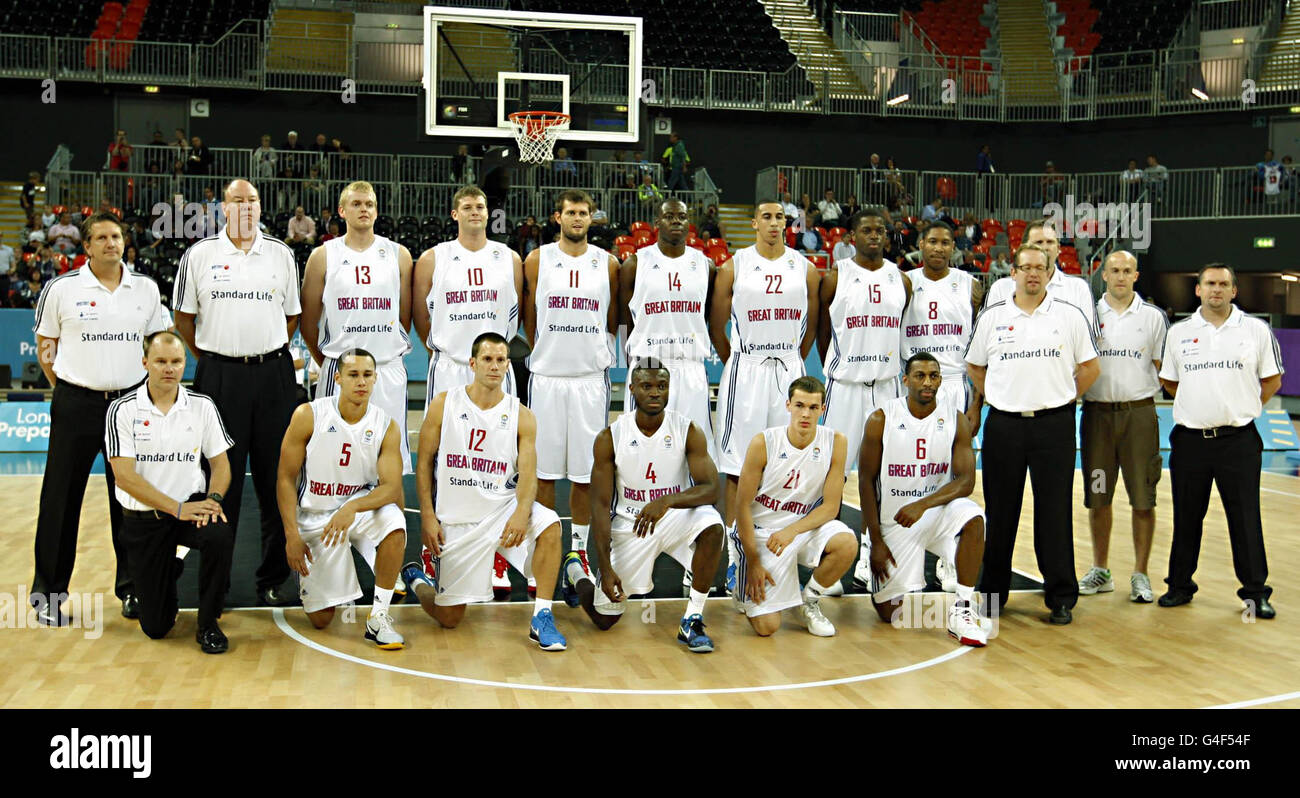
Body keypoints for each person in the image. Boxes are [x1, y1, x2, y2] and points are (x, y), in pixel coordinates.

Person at [32, 212, 171, 625]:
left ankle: (134, 591)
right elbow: (46, 346)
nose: (111, 243)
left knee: (132, 502)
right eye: (102, 237)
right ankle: (49, 597)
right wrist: (71, 388)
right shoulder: (61, 289)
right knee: (60, 499)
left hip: (130, 405)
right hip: (76, 404)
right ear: (87, 246)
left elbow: (160, 346)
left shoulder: (145, 289)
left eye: (117, 236)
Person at [173, 179, 303, 607]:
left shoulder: (282, 255)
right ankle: (217, 583)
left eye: (251, 201)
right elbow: (184, 319)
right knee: (218, 482)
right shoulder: (199, 255)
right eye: (236, 200)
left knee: (274, 479)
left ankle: (272, 578)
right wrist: (218, 357)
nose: (244, 207)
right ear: (222, 208)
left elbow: (290, 319)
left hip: (273, 377)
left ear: (260, 207)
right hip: (219, 379)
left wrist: (258, 353)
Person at [403, 332, 568, 650]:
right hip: (459, 520)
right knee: (449, 618)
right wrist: (427, 514)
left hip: (502, 512)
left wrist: (522, 512)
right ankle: (419, 581)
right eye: (488, 359)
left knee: (549, 525)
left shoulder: (522, 416)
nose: (494, 366)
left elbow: (529, 475)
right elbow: (423, 464)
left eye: (501, 360)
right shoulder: (444, 405)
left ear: (508, 364)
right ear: (473, 363)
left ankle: (543, 616)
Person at [966, 243, 1099, 624]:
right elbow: (975, 366)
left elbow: (1090, 368)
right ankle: (992, 595)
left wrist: (1063, 397)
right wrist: (997, 395)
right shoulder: (993, 316)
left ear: (1049, 272)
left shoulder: (1069, 316)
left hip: (1053, 424)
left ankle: (1060, 597)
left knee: (1054, 513)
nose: (1033, 274)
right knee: (1001, 512)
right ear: (1013, 273)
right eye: (1025, 267)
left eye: (1040, 268)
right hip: (1004, 425)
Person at [560, 362, 725, 651]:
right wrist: (606, 567)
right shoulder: (610, 437)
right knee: (604, 618)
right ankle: (575, 570)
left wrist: (666, 501)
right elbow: (599, 507)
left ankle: (693, 618)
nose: (655, 393)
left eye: (662, 386)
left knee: (712, 526)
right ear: (632, 388)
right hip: (630, 522)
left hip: (673, 516)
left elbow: (712, 489)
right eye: (647, 386)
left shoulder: (688, 430)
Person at [1157, 264, 1282, 618]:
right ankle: (1179, 586)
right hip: (1190, 440)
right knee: (1186, 516)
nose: (1216, 289)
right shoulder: (1179, 333)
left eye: (1223, 284)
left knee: (1245, 518)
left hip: (1238, 440)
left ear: (1233, 291)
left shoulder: (1255, 330)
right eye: (1210, 283)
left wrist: (1242, 406)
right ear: (1198, 290)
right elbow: (1170, 382)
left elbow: (1271, 380)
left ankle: (1255, 592)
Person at [711, 199, 820, 594]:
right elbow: (717, 324)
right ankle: (735, 555)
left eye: (780, 218)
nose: (775, 223)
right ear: (755, 223)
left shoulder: (805, 269)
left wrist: (792, 358)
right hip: (747, 368)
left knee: (787, 462)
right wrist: (739, 362)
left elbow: (812, 328)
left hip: (789, 367)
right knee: (738, 465)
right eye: (768, 217)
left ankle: (779, 547)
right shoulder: (734, 266)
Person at [106, 331, 235, 653]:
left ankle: (208, 624)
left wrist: (214, 500)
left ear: (184, 364)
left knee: (219, 535)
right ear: (145, 362)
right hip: (144, 517)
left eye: (176, 362)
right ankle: (168, 566)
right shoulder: (122, 410)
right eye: (161, 361)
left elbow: (221, 465)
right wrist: (175, 509)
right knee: (157, 627)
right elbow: (124, 478)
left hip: (190, 507)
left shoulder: (202, 405)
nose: (169, 368)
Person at [277, 348, 408, 648]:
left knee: (395, 521)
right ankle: (332, 571)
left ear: (376, 379)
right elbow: (285, 478)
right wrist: (291, 536)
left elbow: (391, 486)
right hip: (316, 517)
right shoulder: (309, 415)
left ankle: (379, 615)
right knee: (322, 620)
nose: (361, 382)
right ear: (337, 378)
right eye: (353, 375)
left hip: (356, 508)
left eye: (367, 375)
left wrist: (352, 506)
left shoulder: (385, 425)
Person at [859, 352, 989, 646]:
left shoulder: (955, 419)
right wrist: (875, 542)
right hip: (897, 523)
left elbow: (967, 481)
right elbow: (866, 482)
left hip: (936, 513)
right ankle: (908, 574)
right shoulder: (881, 419)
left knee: (973, 516)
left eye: (934, 376)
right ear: (905, 380)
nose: (927, 382)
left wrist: (923, 504)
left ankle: (963, 609)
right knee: (890, 613)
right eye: (920, 376)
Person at [522, 189, 619, 574]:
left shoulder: (608, 264)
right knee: (543, 473)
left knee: (584, 474)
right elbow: (530, 318)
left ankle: (576, 553)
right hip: (547, 377)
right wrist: (543, 347)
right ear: (557, 217)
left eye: (584, 213)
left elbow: (612, 322)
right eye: (571, 212)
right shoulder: (537, 260)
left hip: (589, 380)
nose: (578, 218)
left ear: (592, 218)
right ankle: (543, 549)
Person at [300, 180, 413, 482]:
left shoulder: (398, 254)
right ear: (342, 211)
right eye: (357, 204)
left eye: (369, 204)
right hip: (340, 368)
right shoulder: (323, 256)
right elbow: (308, 321)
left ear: (377, 211)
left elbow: (404, 317)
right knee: (334, 462)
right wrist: (328, 362)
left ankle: (392, 526)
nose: (364, 209)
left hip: (386, 370)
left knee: (389, 466)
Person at [732, 376, 856, 636]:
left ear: (823, 409)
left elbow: (830, 508)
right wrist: (753, 560)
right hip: (762, 533)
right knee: (767, 628)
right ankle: (739, 570)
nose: (805, 414)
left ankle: (809, 601)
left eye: (813, 408)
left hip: (799, 530)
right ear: (788, 405)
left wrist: (792, 531)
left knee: (846, 542)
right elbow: (741, 506)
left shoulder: (836, 442)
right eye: (799, 405)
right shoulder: (763, 443)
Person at [1077, 251, 1168, 603]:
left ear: (1136, 275)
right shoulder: (1088, 316)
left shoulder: (1153, 318)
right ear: (1103, 275)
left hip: (1140, 416)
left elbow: (1164, 367)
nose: (1120, 276)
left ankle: (1141, 574)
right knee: (1098, 497)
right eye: (1114, 270)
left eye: (1126, 270)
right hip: (1097, 415)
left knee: (1143, 498)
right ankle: (1101, 570)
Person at [619, 198, 717, 462]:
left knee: (693, 452)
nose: (676, 221)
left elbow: (705, 314)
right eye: (669, 216)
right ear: (656, 223)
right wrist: (634, 359)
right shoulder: (635, 264)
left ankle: (690, 504)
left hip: (690, 368)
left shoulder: (705, 266)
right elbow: (624, 318)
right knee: (639, 452)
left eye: (682, 217)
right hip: (648, 368)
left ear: (689, 224)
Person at [818, 208, 911, 473]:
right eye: (866, 230)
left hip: (886, 386)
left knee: (887, 471)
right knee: (833, 469)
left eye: (879, 231)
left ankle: (878, 518)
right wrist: (839, 368)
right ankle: (828, 516)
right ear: (852, 237)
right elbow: (823, 335)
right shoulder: (836, 278)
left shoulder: (901, 281)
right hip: (845, 386)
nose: (874, 236)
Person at [414, 185, 523, 405]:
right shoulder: (433, 258)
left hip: (495, 368)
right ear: (455, 214)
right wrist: (443, 350)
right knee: (444, 436)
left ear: (487, 213)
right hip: (449, 367)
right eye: (467, 207)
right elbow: (421, 317)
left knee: (499, 438)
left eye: (480, 207)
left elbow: (515, 315)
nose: (474, 211)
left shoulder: (509, 259)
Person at [983, 219, 1098, 337]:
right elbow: (985, 336)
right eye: (1038, 242)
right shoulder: (1000, 289)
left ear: (1058, 248)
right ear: (1024, 248)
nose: (1045, 247)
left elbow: (1090, 340)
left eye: (1050, 242)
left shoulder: (1078, 289)